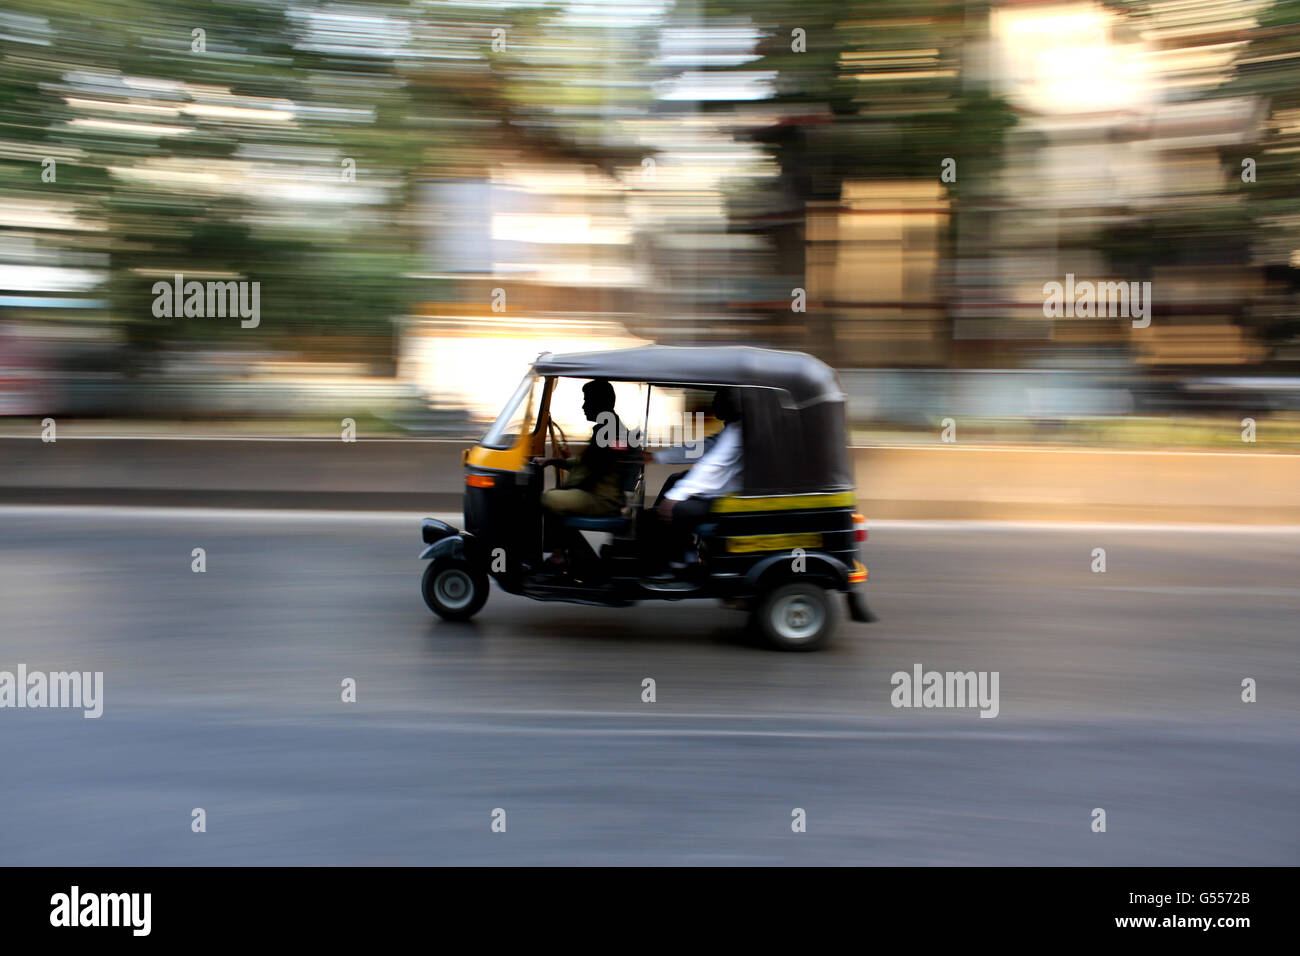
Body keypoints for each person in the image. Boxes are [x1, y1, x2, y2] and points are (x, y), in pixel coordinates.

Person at [643, 387, 743, 581]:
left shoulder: (738, 429)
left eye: (719, 399)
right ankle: (676, 550)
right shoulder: (732, 428)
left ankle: (678, 564)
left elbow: (713, 464)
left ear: (731, 403)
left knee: (669, 511)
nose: (714, 404)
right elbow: (701, 449)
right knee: (676, 480)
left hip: (727, 500)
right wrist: (656, 456)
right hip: (724, 493)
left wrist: (674, 498)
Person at [534, 379, 629, 573]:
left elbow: (591, 469)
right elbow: (587, 464)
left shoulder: (609, 431)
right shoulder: (608, 428)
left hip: (603, 500)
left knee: (549, 498)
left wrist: (565, 487)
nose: (584, 406)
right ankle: (579, 557)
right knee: (557, 498)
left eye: (587, 400)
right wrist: (554, 462)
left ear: (600, 402)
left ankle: (559, 557)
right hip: (600, 494)